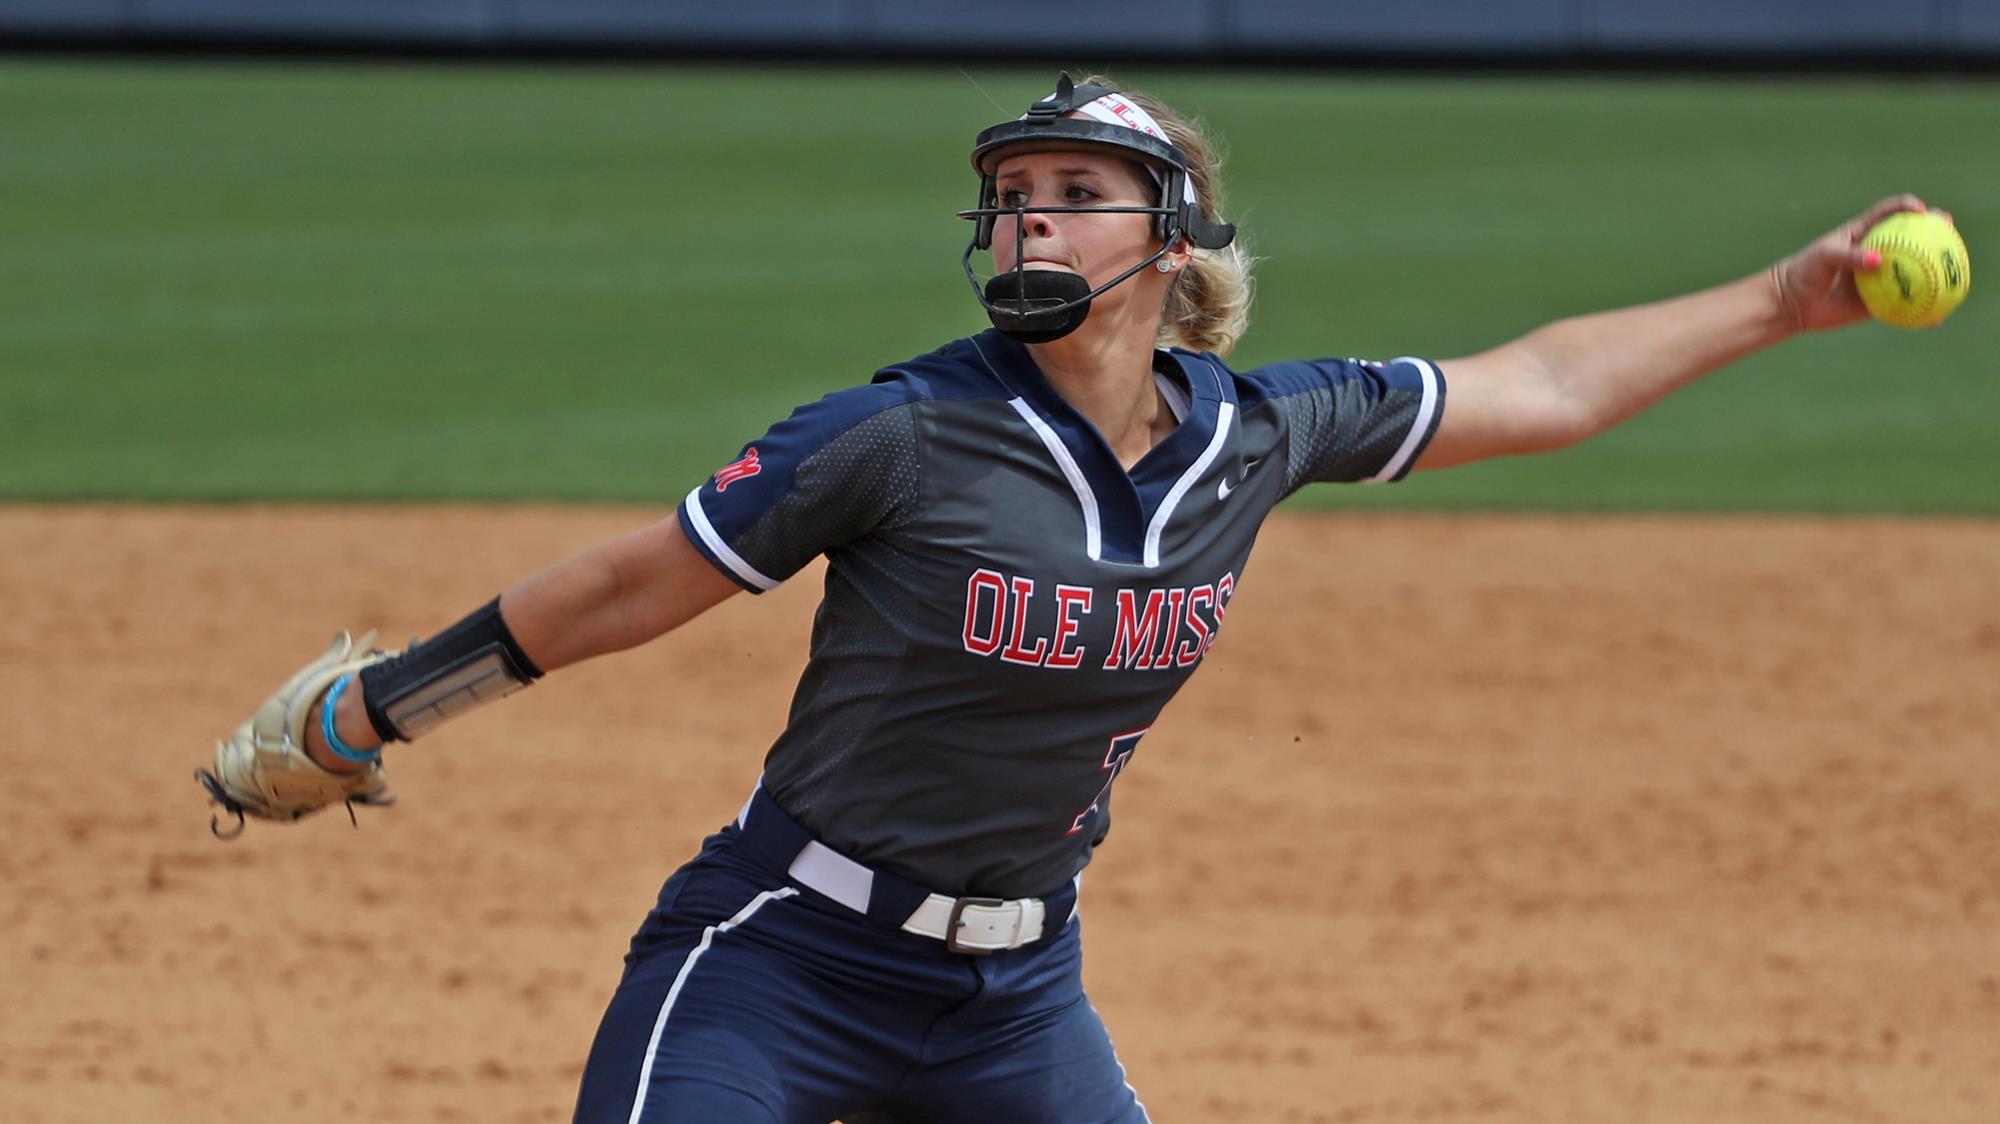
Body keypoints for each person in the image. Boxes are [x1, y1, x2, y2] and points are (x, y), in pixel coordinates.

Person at [198, 72, 1938, 1123]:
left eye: (1076, 199)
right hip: (777, 954)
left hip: (1018, 1000)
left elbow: (1543, 383)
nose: (1031, 226)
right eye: (1010, 201)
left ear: (1168, 238)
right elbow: (623, 591)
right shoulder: (897, 435)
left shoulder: (1258, 435)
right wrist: (378, 709)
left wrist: (1785, 302)